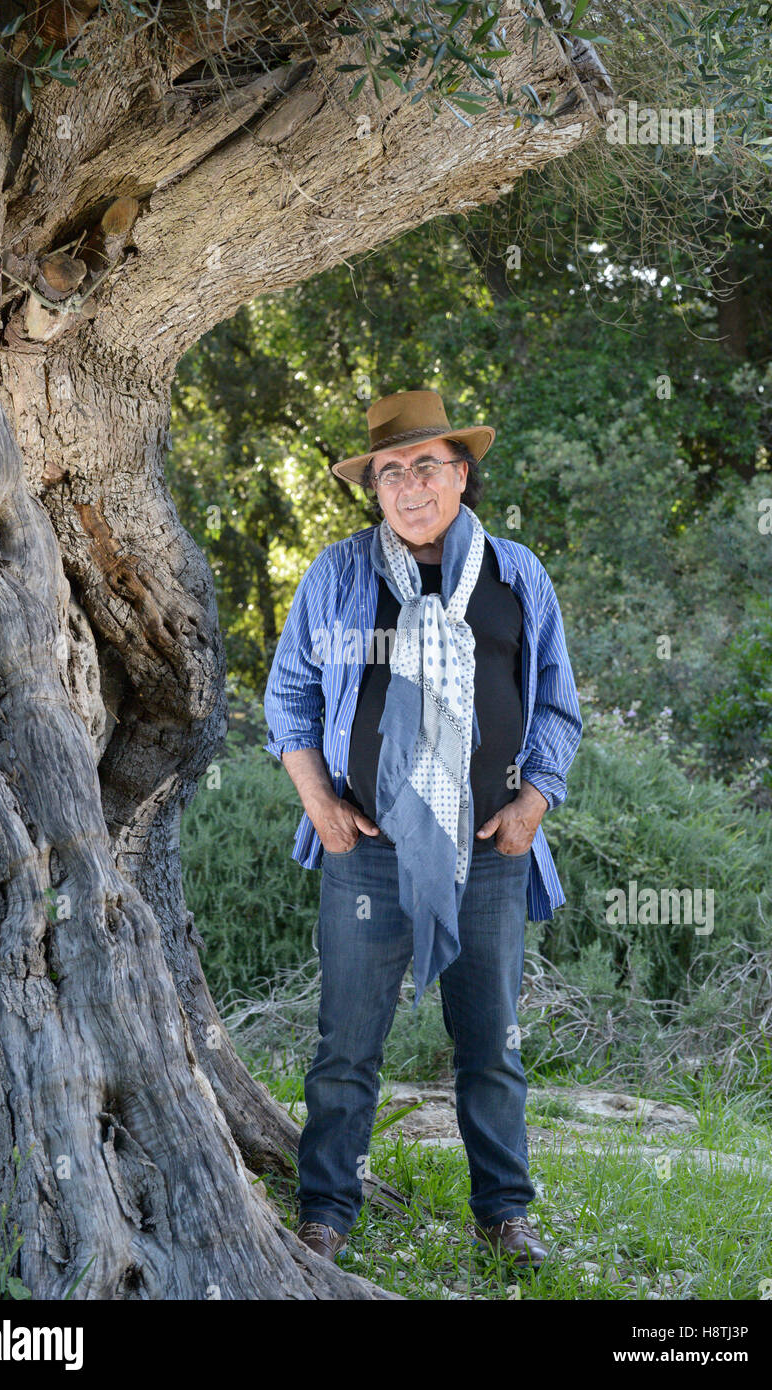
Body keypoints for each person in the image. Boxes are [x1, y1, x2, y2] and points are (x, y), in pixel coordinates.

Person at [263, 388, 582, 1270]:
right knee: (344, 1048)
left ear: (462, 475)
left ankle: (505, 1215)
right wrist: (320, 805)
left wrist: (533, 805)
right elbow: (288, 697)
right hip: (364, 851)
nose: (409, 487)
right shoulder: (338, 573)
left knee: (491, 1046)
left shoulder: (517, 575)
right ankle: (325, 1212)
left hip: (489, 851)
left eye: (426, 467)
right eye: (390, 472)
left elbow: (556, 703)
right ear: (375, 487)